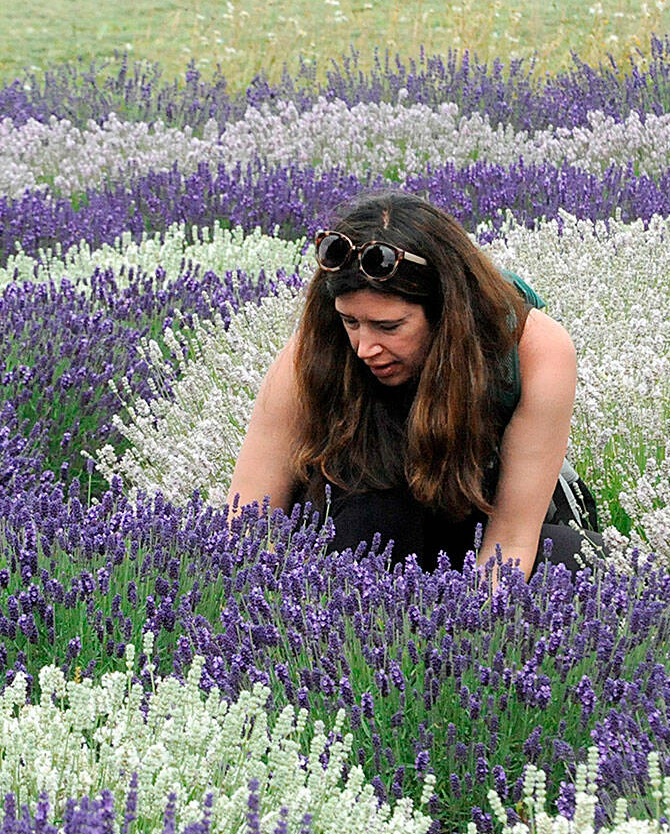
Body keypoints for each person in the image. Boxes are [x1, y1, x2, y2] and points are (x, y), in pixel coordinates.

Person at [226, 191, 602, 580]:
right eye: (351, 322)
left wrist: (477, 630)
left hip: (483, 512)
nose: (365, 348)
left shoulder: (531, 347)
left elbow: (512, 539)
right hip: (368, 520)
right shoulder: (317, 350)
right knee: (376, 521)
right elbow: (250, 519)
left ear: (446, 313)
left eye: (389, 327)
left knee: (572, 562)